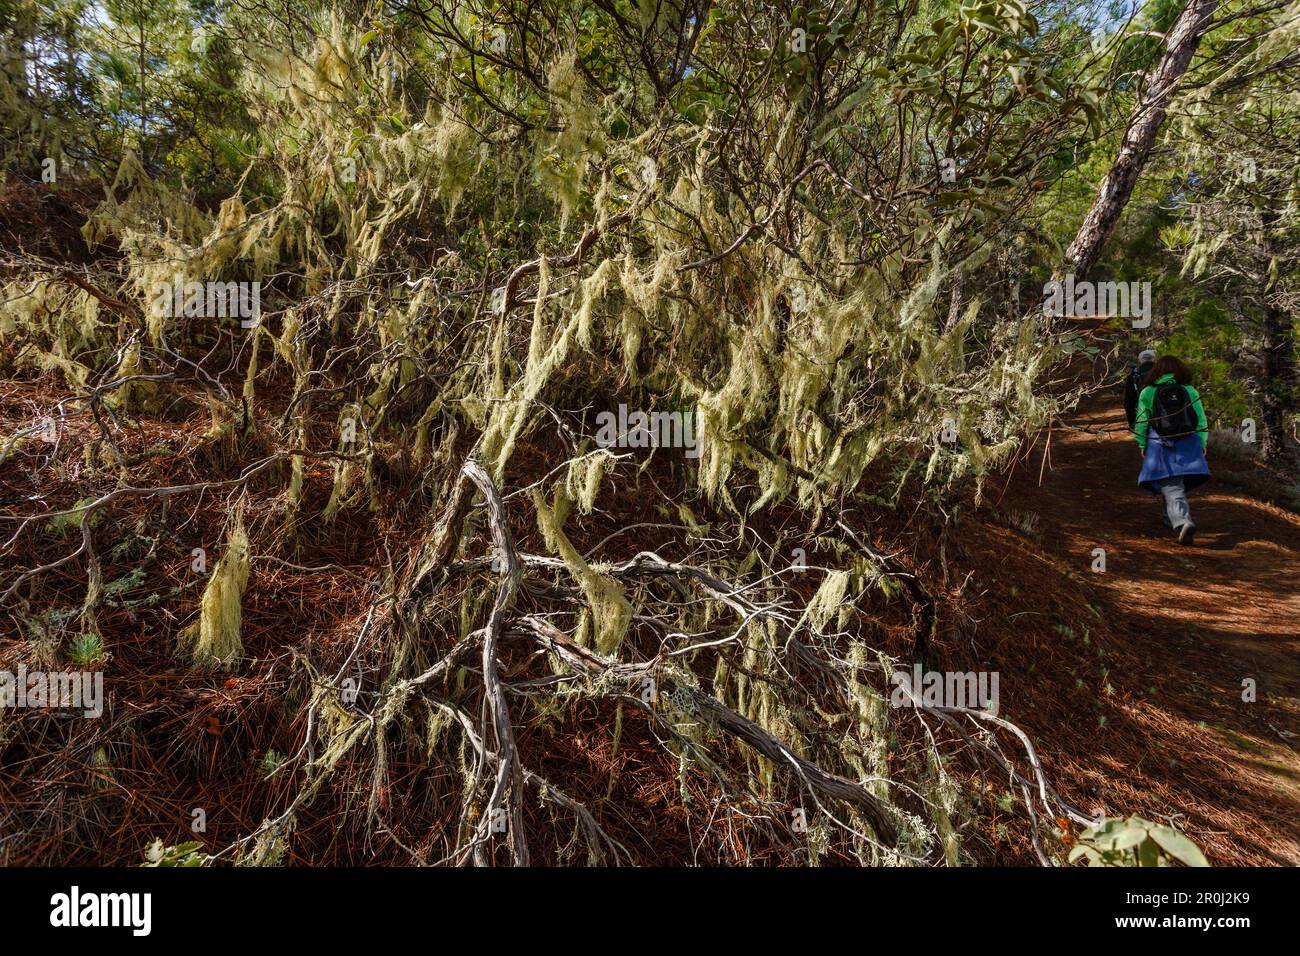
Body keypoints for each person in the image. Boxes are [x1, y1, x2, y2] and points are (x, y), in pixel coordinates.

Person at [1134, 356, 1210, 545]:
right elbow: (1201, 419)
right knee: (1178, 484)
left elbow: (1142, 422)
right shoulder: (1189, 390)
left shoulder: (1148, 392)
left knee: (1171, 485)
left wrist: (1142, 444)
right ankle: (1174, 518)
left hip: (1160, 443)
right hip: (1188, 442)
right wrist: (1202, 442)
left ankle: (1182, 522)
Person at [1124, 348, 1156, 432]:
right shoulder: (1163, 371)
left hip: (1142, 415)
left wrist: (1132, 424)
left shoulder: (1134, 375)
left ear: (1140, 360)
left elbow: (1128, 402)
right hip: (1164, 418)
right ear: (1154, 359)